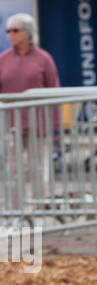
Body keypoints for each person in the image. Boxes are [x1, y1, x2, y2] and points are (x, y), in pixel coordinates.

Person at [0, 13, 60, 200]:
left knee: (36, 167)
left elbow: (54, 91)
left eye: (15, 30)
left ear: (27, 33)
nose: (11, 34)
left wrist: (56, 127)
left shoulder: (43, 58)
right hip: (11, 123)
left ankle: (39, 207)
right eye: (8, 31)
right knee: (13, 167)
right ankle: (16, 210)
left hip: (37, 123)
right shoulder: (3, 59)